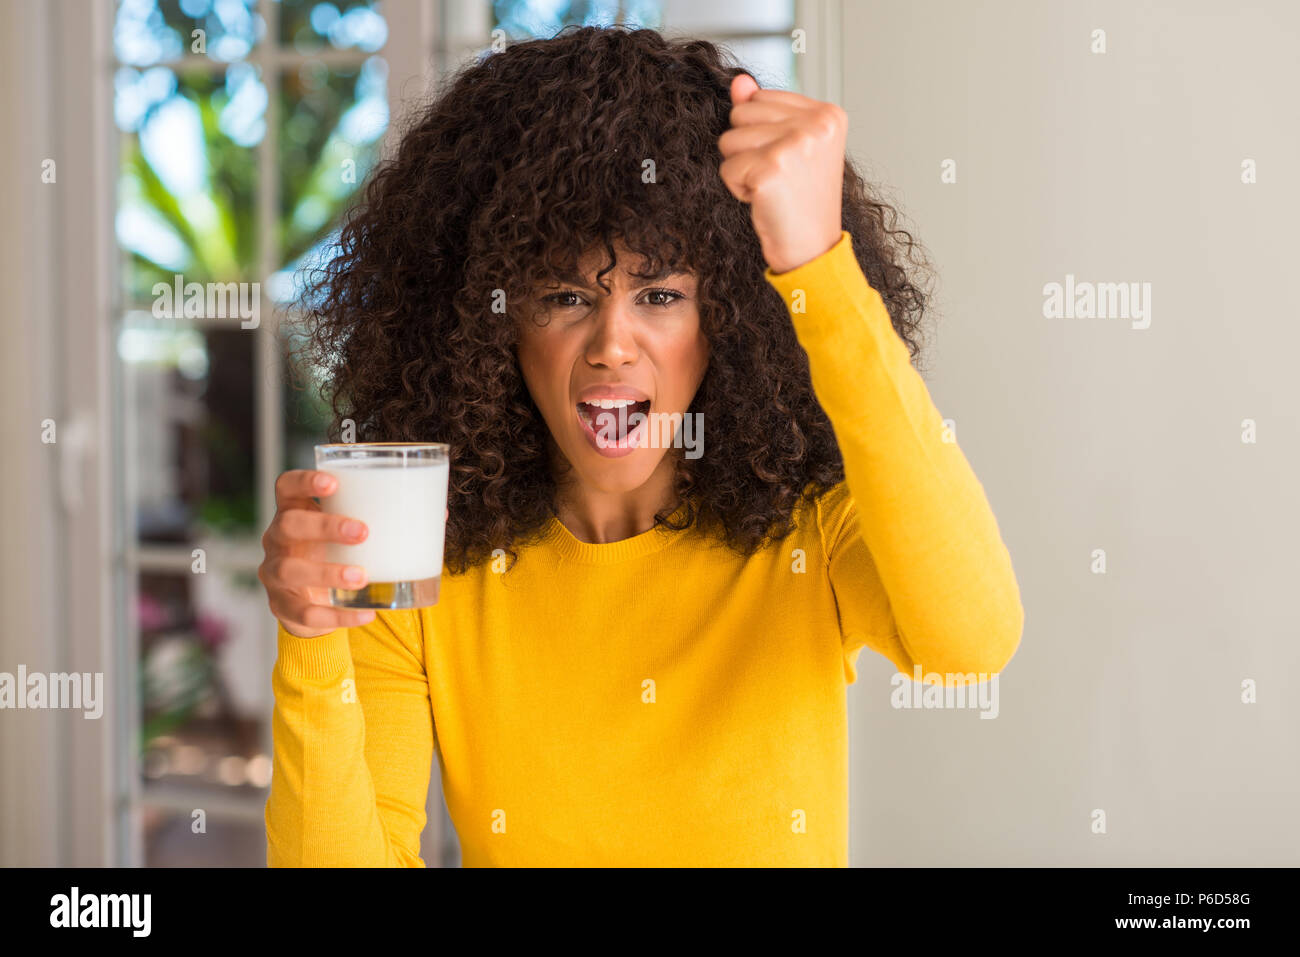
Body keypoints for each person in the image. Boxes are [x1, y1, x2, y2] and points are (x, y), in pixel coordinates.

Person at [258, 26, 1023, 866]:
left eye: (660, 294)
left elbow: (970, 645)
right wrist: (312, 639)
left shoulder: (809, 530)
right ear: (495, 325)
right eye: (563, 295)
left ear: (726, 320)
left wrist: (819, 268)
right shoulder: (420, 560)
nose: (612, 345)